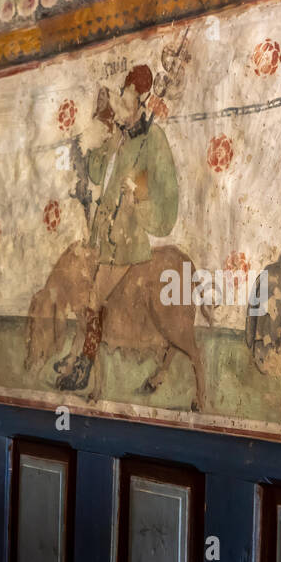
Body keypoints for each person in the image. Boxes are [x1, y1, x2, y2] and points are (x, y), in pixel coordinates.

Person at [56, 64, 179, 391]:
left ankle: (83, 370)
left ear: (140, 98)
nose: (121, 101)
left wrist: (138, 198)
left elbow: (168, 201)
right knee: (84, 295)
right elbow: (97, 173)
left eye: (125, 95)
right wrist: (84, 147)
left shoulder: (154, 140)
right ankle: (75, 359)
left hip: (127, 240)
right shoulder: (118, 138)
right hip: (103, 238)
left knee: (92, 300)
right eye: (121, 94)